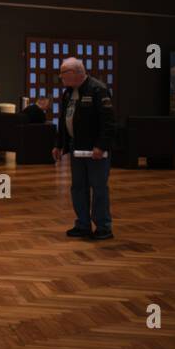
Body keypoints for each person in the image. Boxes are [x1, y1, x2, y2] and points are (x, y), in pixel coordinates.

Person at [52, 57, 115, 240]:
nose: (60, 77)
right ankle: (83, 224)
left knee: (99, 188)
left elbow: (109, 123)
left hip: (95, 151)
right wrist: (59, 145)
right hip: (76, 149)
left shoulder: (98, 89)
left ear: (74, 73)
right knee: (78, 187)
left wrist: (101, 146)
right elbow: (64, 121)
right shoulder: (68, 93)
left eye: (63, 73)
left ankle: (103, 227)